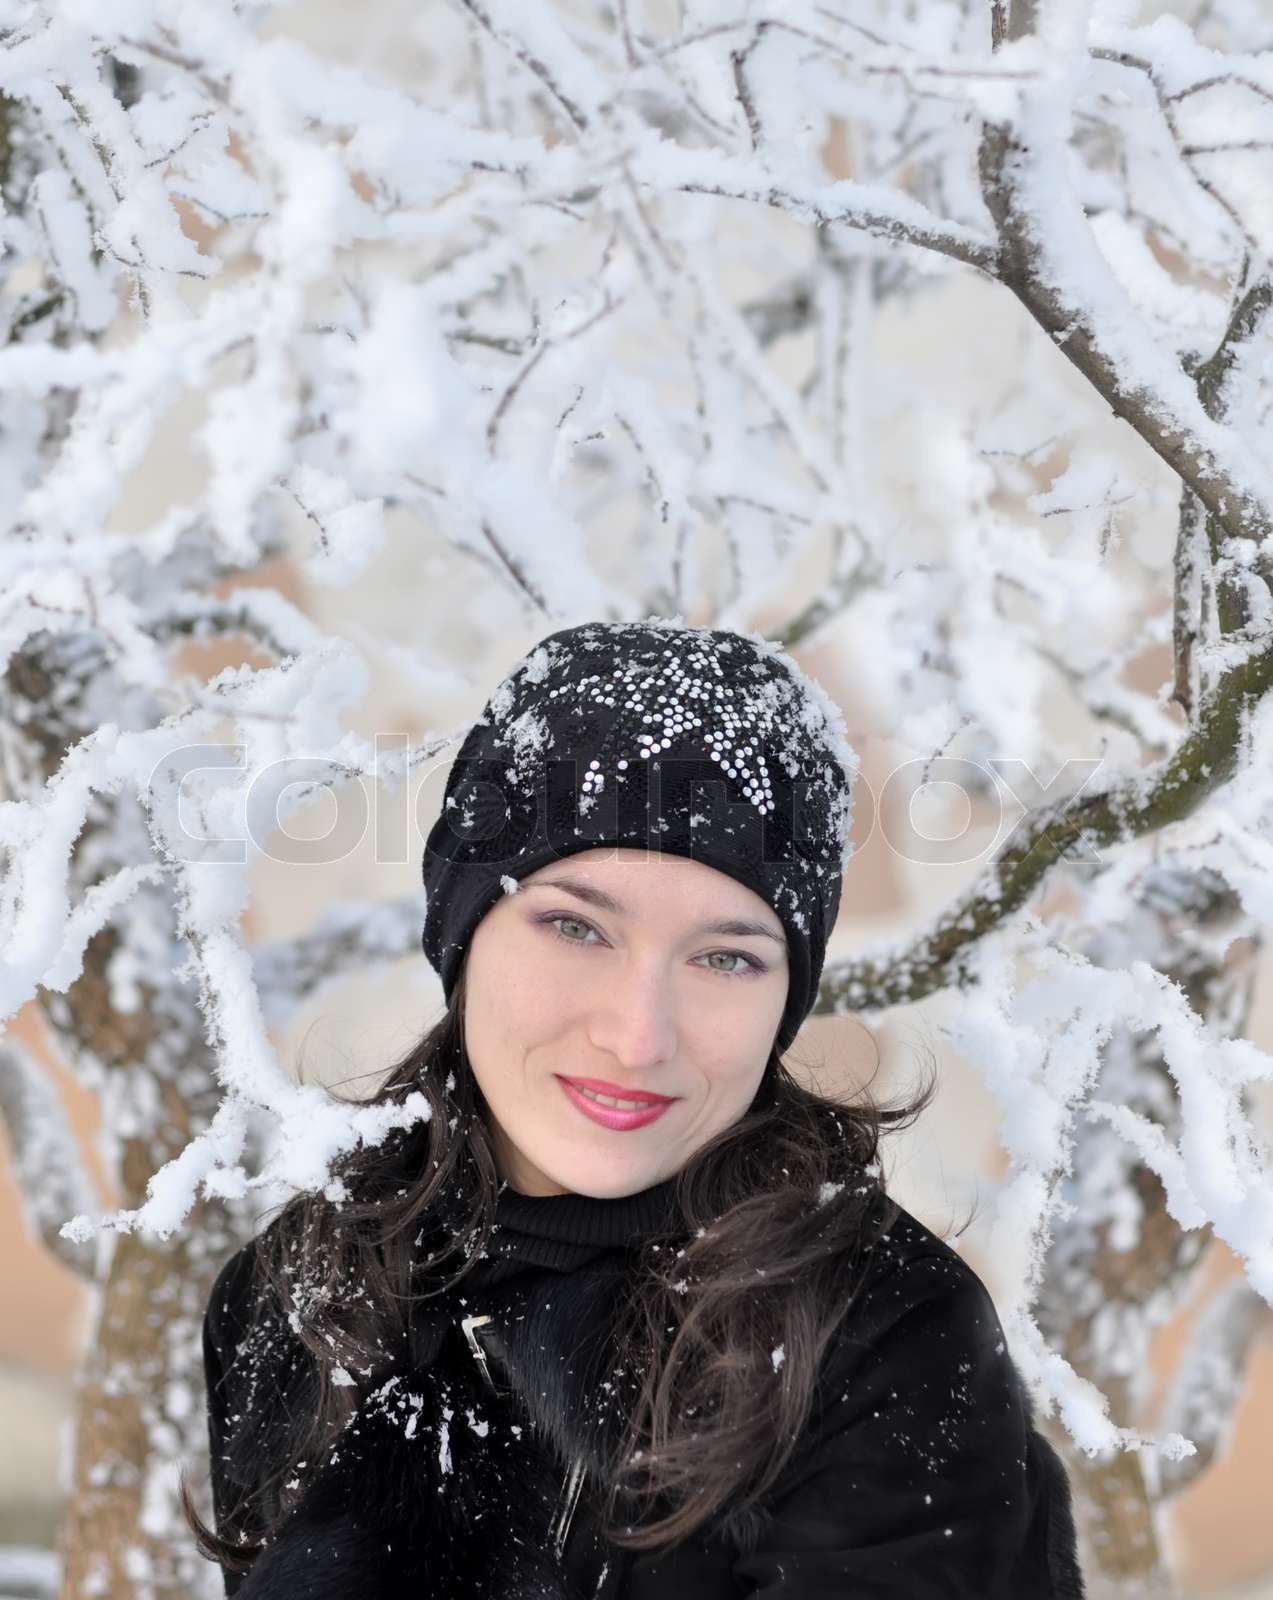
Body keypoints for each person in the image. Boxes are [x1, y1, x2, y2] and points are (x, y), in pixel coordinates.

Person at [181, 617, 1087, 1598]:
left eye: (726, 956)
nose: (638, 1033)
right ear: (464, 928)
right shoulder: (301, 1291)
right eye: (575, 925)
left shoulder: (881, 1337)